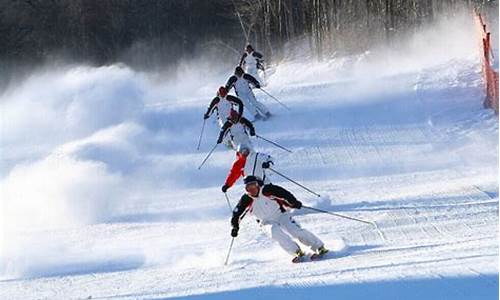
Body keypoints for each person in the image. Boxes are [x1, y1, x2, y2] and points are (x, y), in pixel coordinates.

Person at [230, 175, 329, 263]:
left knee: (294, 230)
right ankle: (296, 252)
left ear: (257, 185)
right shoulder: (246, 199)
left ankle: (319, 247)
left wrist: (294, 202)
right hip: (266, 222)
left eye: (253, 185)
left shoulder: (267, 190)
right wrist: (235, 227)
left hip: (281, 215)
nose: (252, 189)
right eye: (248, 187)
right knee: (274, 232)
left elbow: (284, 193)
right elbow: (236, 214)